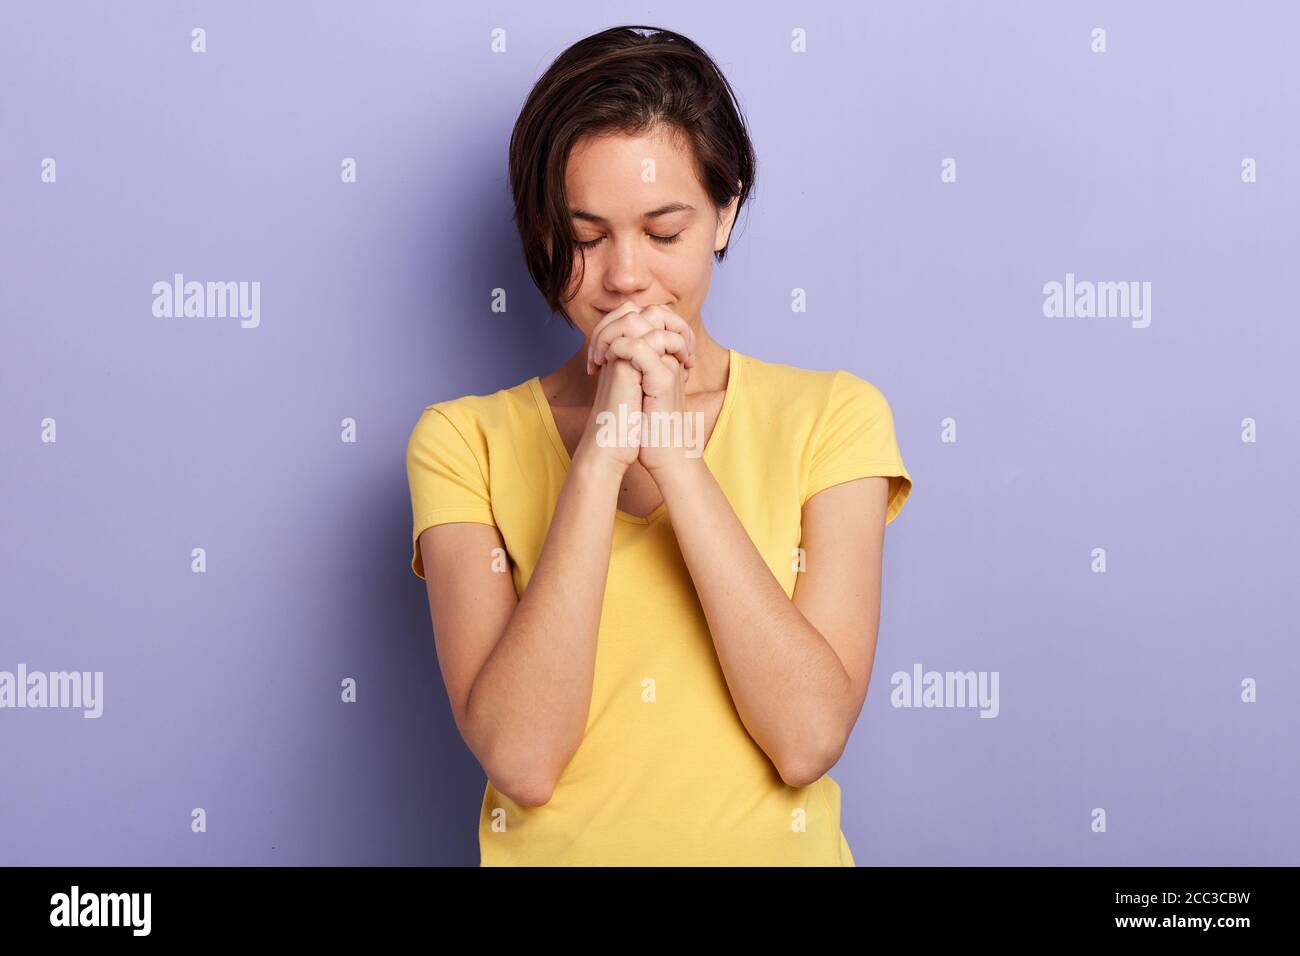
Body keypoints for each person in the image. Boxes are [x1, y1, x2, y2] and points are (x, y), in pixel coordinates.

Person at [406, 25, 912, 866]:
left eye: (664, 231)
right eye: (587, 236)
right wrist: (600, 456)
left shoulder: (836, 417)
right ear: (542, 231)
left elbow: (808, 738)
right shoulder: (463, 442)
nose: (626, 277)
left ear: (726, 211)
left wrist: (673, 451)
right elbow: (523, 761)